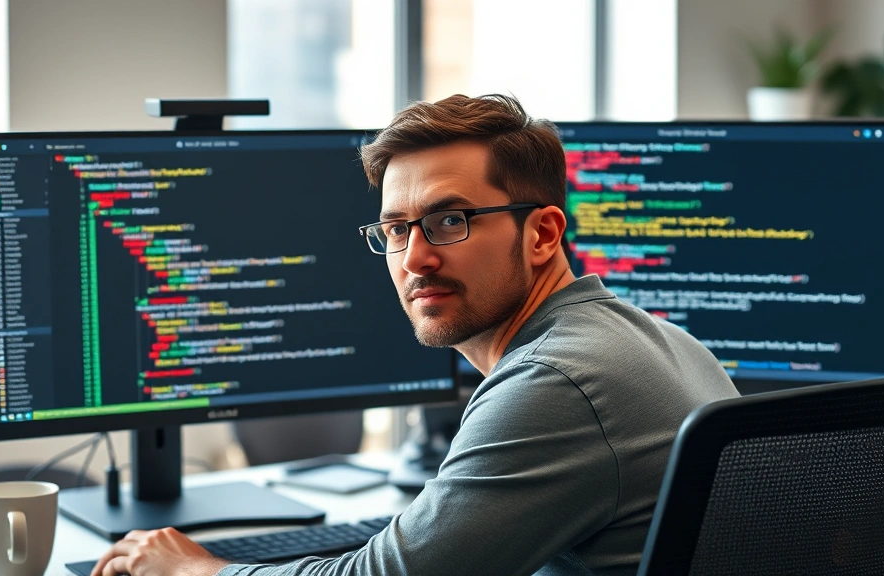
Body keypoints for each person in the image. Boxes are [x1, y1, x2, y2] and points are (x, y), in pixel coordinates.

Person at [91, 94, 739, 576]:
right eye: (396, 230)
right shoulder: (661, 340)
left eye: (450, 220)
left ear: (542, 234)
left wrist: (195, 571)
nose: (415, 258)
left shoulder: (560, 379)